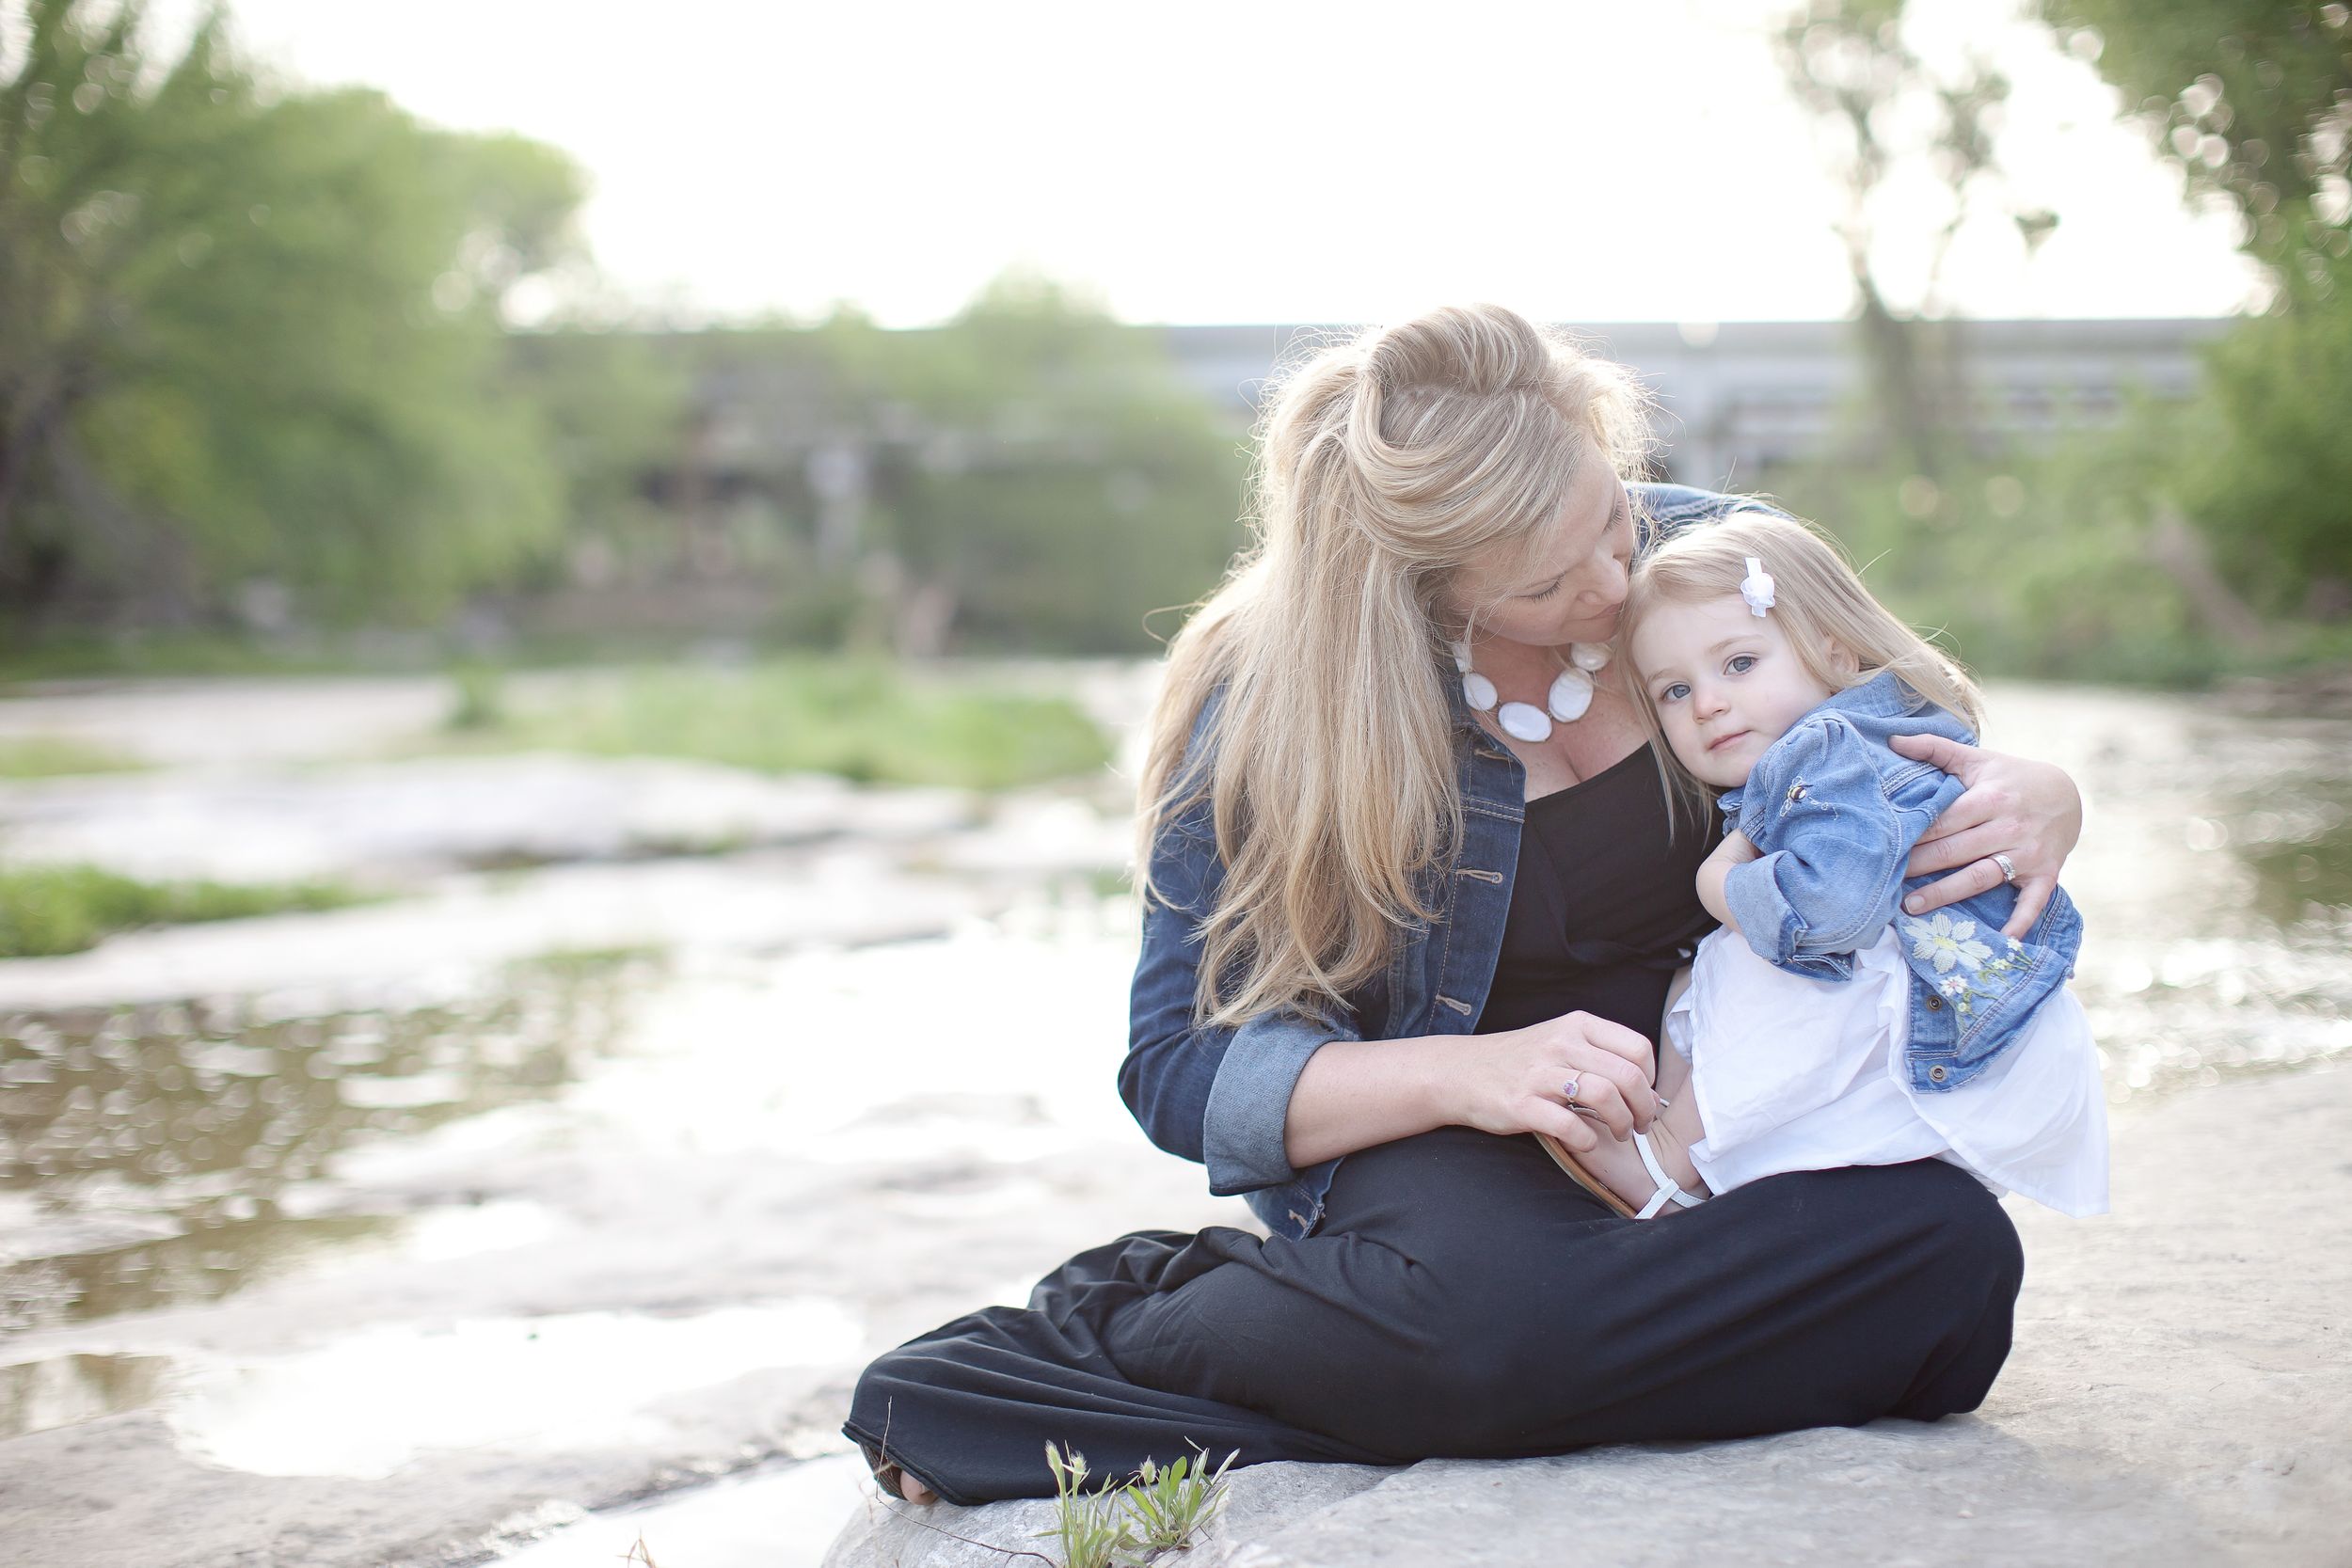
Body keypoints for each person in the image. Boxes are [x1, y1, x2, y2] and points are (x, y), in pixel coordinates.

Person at [844, 304, 2085, 1508]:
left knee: (1952, 1264)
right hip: (1439, 1134)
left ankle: (1403, 1339)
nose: (1614, 578)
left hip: (1708, 1110)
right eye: (1550, 582)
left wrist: (2039, 794)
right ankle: (1142, 1308)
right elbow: (1178, 1066)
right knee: (1494, 1342)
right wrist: (1474, 1074)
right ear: (1425, 589)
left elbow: (1900, 751)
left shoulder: (1715, 568)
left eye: (1611, 513)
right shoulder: (1276, 698)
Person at [1545, 512, 2108, 1223]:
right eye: (1675, 692)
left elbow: (1829, 912)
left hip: (1921, 1002)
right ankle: (1691, 1147)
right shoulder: (1853, 742)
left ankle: (1666, 1162)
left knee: (1749, 960)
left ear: (1838, 655)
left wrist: (1719, 881)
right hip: (1935, 996)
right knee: (1703, 970)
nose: (1709, 702)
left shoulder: (1832, 755)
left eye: (1739, 664)